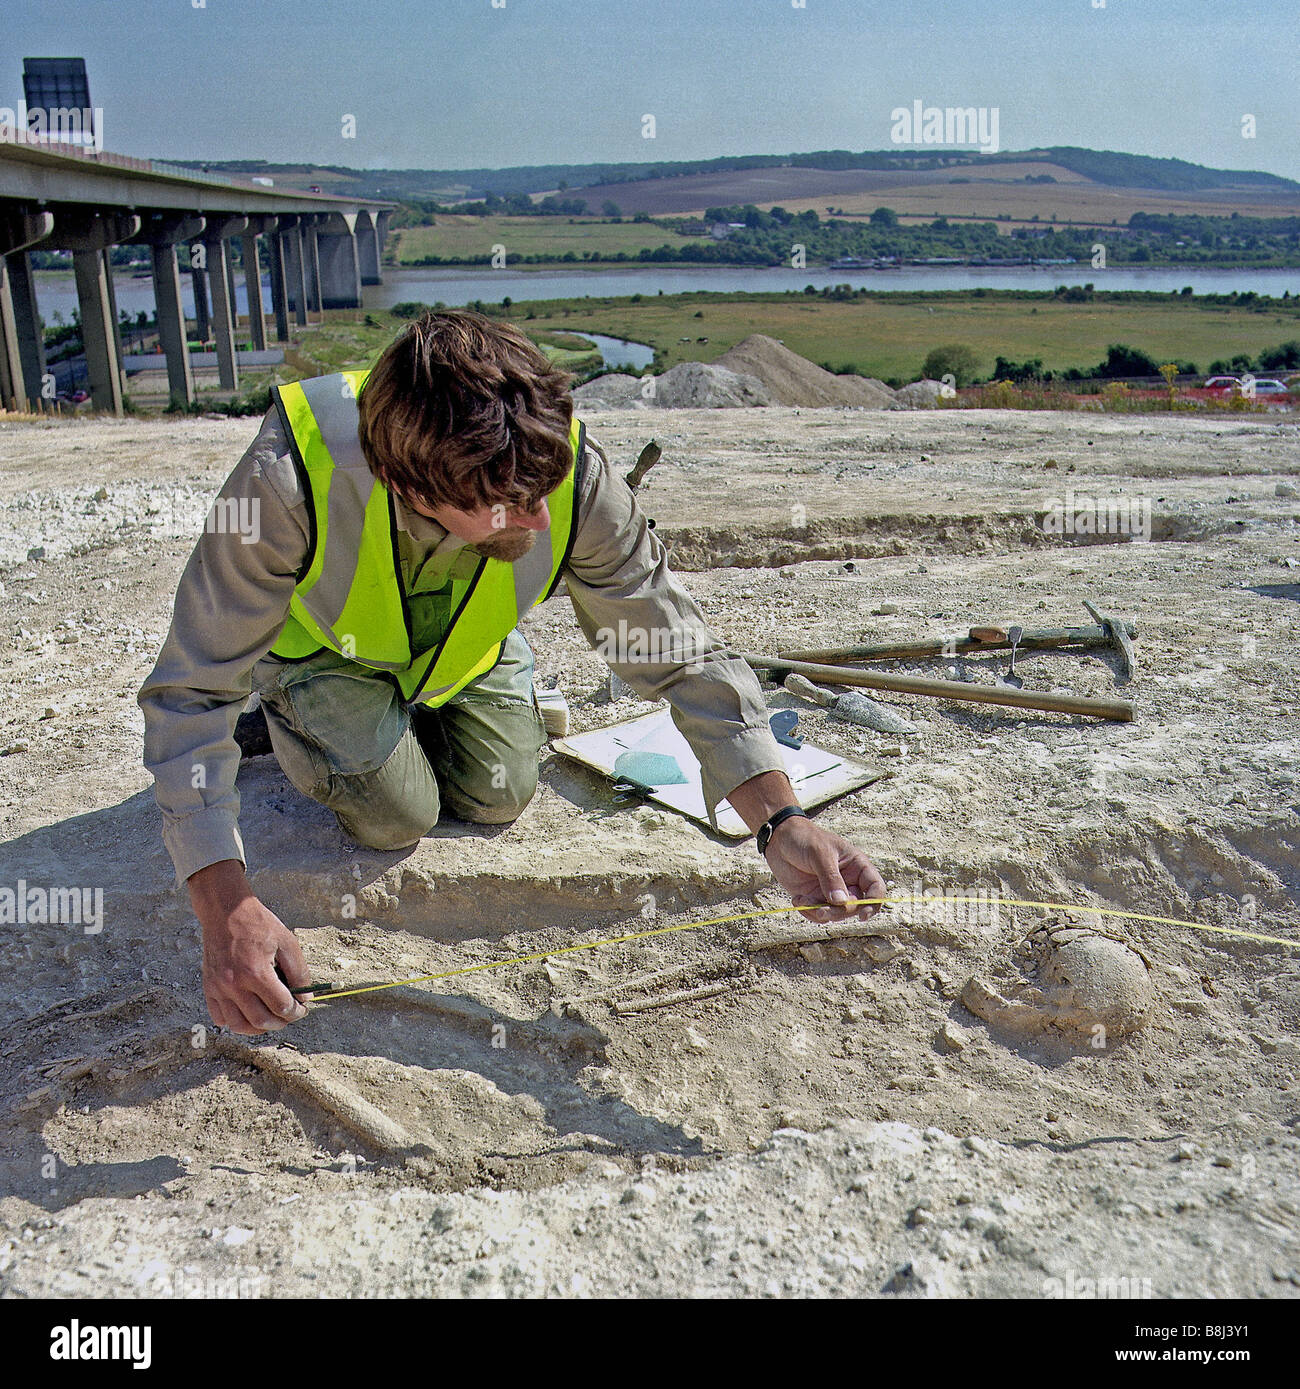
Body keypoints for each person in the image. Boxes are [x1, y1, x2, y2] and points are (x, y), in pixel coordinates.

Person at [138, 310, 886, 1037]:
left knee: (500, 791)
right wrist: (223, 901)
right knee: (398, 813)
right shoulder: (285, 482)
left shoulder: (559, 470)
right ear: (413, 487)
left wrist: (780, 821)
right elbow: (192, 688)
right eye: (506, 506)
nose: (538, 524)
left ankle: (435, 694)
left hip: (464, 650)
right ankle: (289, 715)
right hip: (325, 653)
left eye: (541, 495)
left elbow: (674, 648)